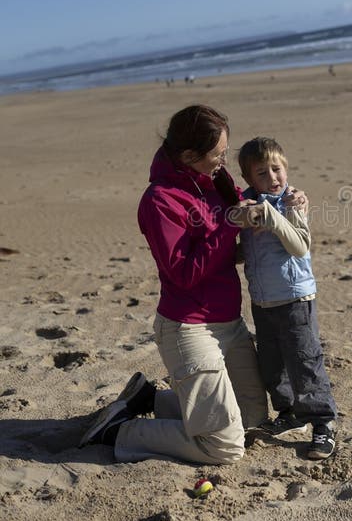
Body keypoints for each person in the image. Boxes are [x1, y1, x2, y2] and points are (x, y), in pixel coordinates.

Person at [79, 106, 307, 465]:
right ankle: (118, 431)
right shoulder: (159, 202)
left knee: (252, 421)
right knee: (224, 446)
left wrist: (291, 203)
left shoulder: (215, 179)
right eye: (217, 156)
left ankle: (151, 401)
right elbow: (184, 272)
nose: (223, 162)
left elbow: (250, 206)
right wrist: (231, 224)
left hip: (230, 324)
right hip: (188, 328)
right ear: (188, 156)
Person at [235, 137, 337, 460]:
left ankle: (322, 423)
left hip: (295, 298)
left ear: (286, 168)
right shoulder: (247, 207)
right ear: (250, 179)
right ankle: (289, 412)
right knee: (272, 364)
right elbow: (244, 248)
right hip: (263, 302)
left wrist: (273, 218)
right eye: (262, 173)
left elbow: (299, 246)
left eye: (276, 169)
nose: (273, 178)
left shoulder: (291, 202)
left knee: (304, 361)